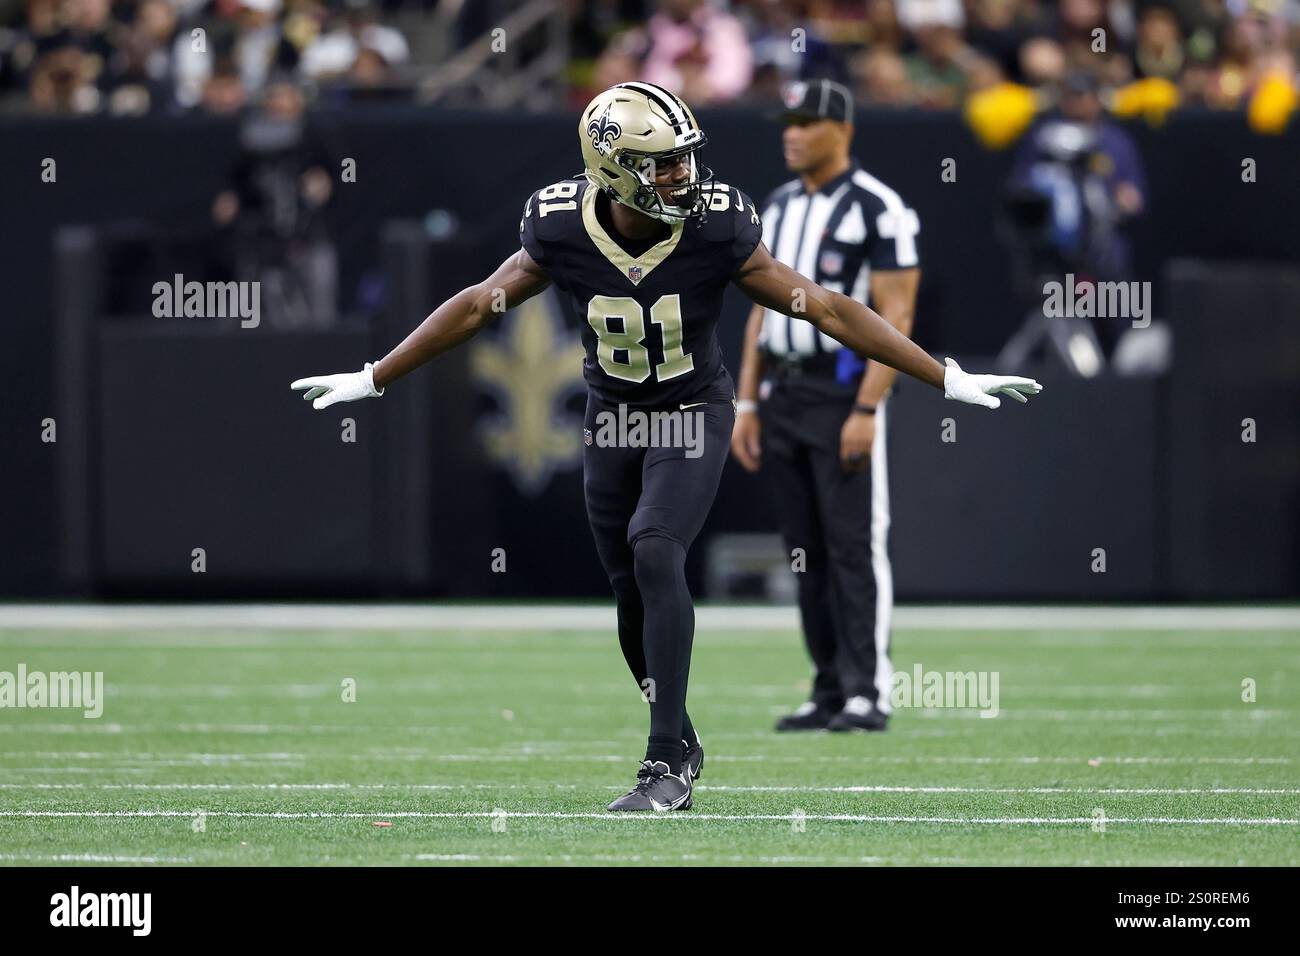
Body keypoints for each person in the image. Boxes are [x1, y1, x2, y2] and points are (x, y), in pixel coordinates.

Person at [290, 81, 1043, 812]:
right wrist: (376, 374)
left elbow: (830, 309)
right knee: (627, 590)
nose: (686, 173)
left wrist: (943, 377)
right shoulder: (557, 226)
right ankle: (679, 740)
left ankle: (661, 766)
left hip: (692, 409)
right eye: (665, 162)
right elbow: (476, 305)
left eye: (686, 156)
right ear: (616, 171)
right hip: (612, 416)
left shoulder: (717, 225)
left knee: (656, 549)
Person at [731, 79, 921, 733]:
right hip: (782, 390)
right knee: (802, 548)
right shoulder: (776, 205)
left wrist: (867, 408)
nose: (792, 132)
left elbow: (896, 318)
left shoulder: (881, 208)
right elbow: (760, 310)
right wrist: (746, 401)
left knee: (852, 546)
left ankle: (869, 689)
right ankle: (828, 686)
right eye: (787, 120)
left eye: (807, 121)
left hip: (842, 388)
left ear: (842, 129)